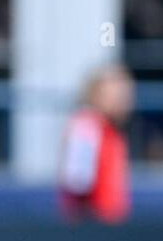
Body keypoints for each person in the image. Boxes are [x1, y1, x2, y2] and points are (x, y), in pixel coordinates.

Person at [57, 63, 134, 223]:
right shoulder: (85, 127)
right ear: (95, 95)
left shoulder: (111, 131)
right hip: (93, 230)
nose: (125, 102)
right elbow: (77, 183)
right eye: (117, 96)